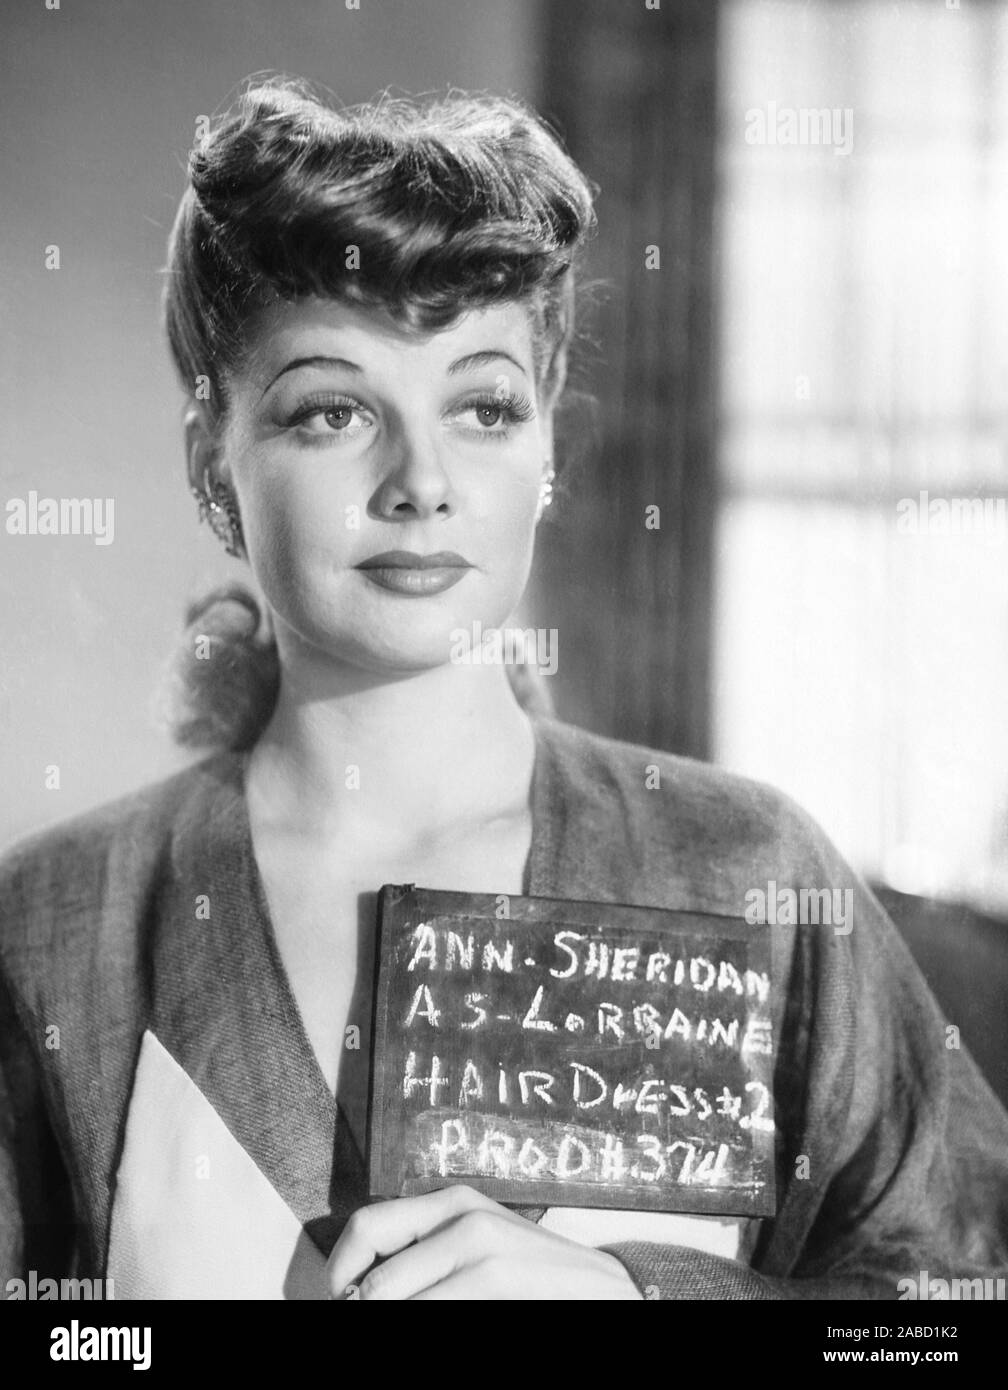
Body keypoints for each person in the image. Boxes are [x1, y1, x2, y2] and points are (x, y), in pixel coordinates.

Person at [1, 76, 1006, 1302]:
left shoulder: (748, 868)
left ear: (546, 450)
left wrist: (637, 1299)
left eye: (482, 406)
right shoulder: (53, 929)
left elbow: (953, 1302)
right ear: (215, 463)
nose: (421, 480)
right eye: (331, 411)